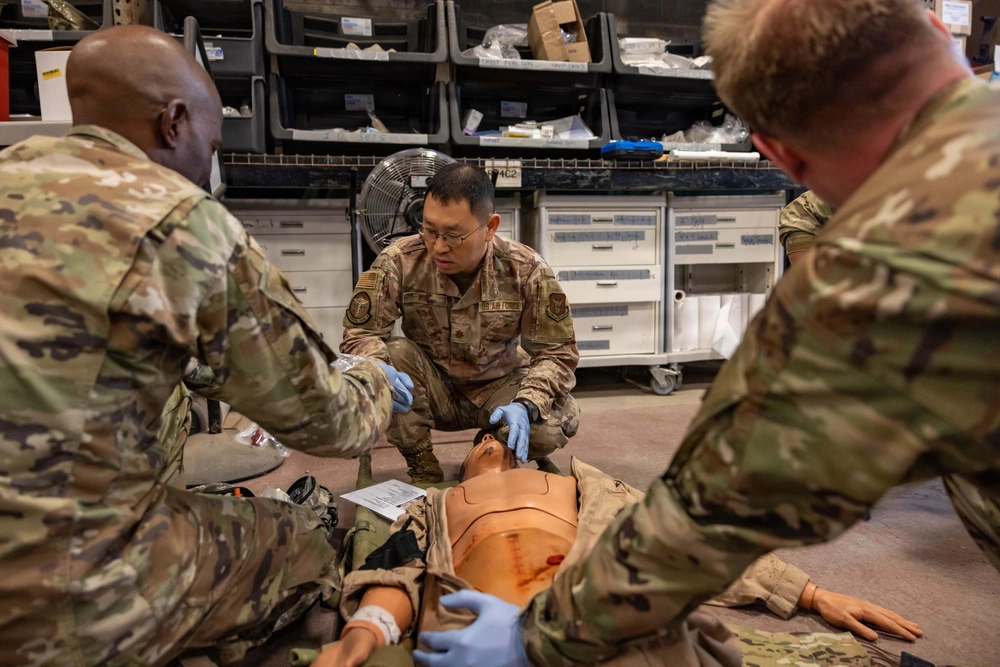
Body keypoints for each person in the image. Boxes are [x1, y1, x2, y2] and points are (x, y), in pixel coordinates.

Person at [410, 1, 1000, 665]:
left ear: (778, 155)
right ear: (931, 26)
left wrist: (535, 635)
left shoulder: (871, 279)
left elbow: (702, 522)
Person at [0, 26, 412, 667]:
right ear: (173, 122)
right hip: (58, 594)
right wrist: (376, 378)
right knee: (297, 534)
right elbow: (330, 420)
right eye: (212, 145)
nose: (208, 166)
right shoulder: (183, 222)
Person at [312, 434, 921, 667]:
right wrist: (364, 633)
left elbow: (676, 534)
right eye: (479, 442)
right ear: (463, 460)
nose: (491, 443)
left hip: (585, 613)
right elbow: (400, 565)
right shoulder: (436, 501)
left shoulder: (579, 484)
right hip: (482, 615)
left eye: (498, 436)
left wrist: (812, 592)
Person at [341, 164, 580, 483]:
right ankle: (421, 461)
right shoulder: (399, 260)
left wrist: (526, 403)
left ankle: (490, 448)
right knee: (390, 357)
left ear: (490, 226)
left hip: (498, 387)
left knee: (560, 418)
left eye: (453, 235)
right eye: (428, 230)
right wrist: (376, 367)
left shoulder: (526, 269)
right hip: (429, 388)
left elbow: (557, 353)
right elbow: (360, 334)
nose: (438, 246)